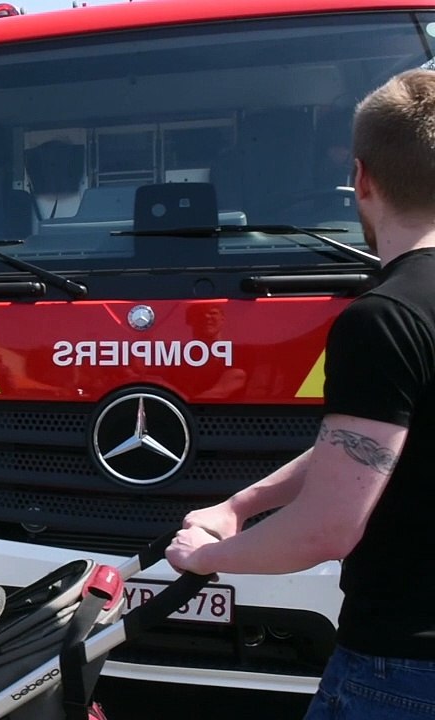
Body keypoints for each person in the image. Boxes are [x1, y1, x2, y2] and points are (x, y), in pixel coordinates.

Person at [167, 70, 435, 716]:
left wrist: (210, 556)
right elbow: (377, 447)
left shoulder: (384, 319)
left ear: (362, 179)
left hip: (397, 673)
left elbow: (329, 527)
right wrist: (246, 501)